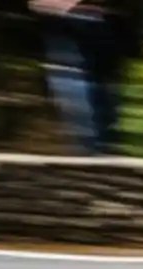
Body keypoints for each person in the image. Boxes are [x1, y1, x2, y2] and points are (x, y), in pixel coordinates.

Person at [29, 0, 121, 155]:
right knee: (81, 96)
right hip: (66, 34)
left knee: (100, 97)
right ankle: (92, 148)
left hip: (94, 33)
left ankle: (99, 147)